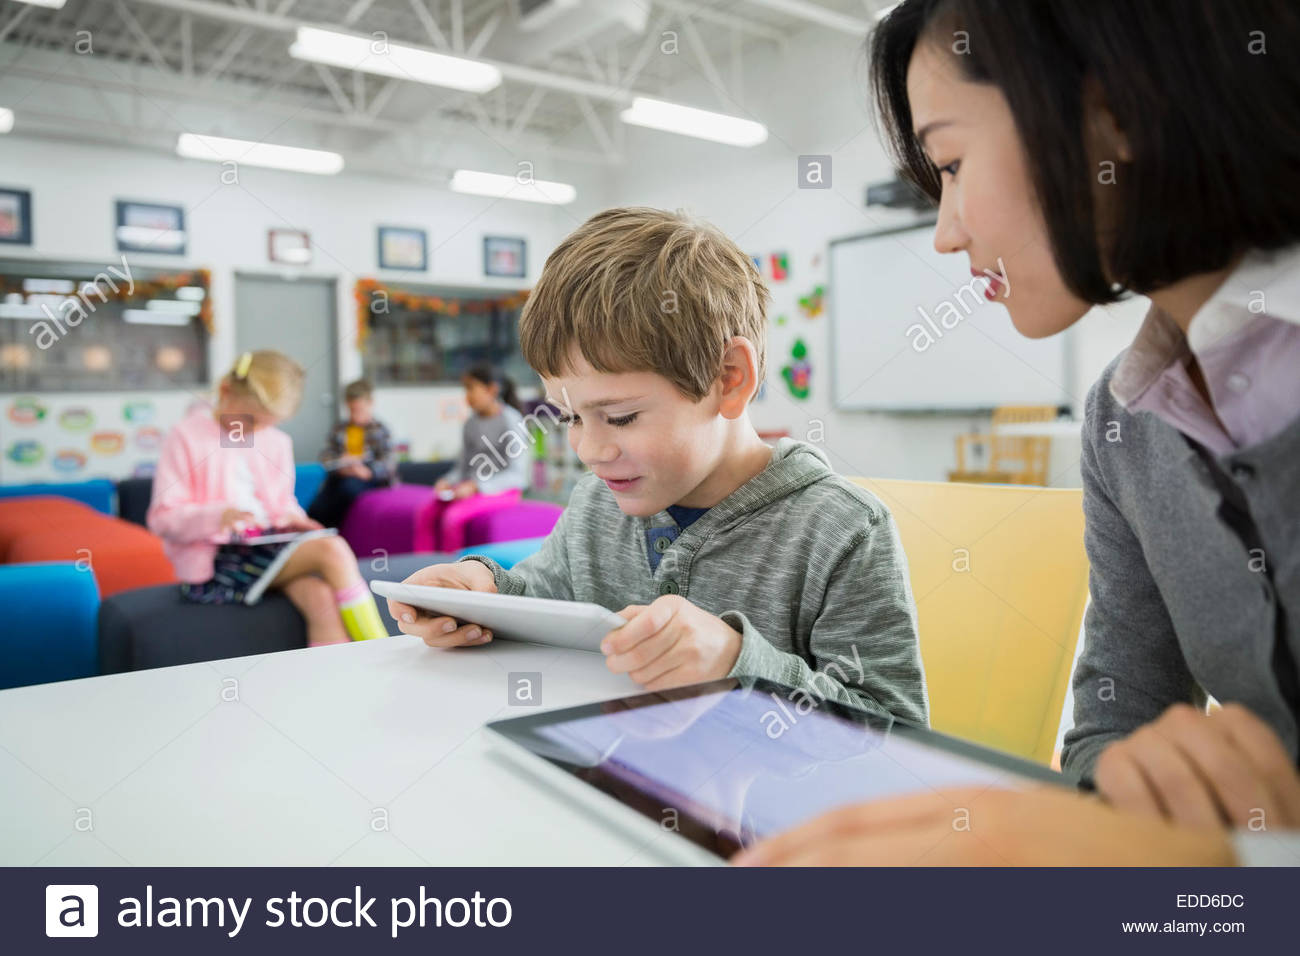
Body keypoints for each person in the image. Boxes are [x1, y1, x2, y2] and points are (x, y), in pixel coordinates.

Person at [739, 0, 1300, 866]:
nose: (945, 230)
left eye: (954, 163)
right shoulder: (1127, 419)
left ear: (1117, 112)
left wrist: (1217, 857)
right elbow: (1113, 728)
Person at [385, 207, 929, 722]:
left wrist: (736, 661)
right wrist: (477, 593)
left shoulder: (842, 530)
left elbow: (896, 733)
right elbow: (541, 598)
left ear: (729, 378)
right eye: (572, 418)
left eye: (619, 417)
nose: (590, 450)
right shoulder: (598, 502)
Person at [148, 350, 390, 646]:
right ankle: (382, 649)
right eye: (251, 423)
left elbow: (281, 503)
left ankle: (334, 687)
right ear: (226, 392)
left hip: (267, 546)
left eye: (268, 424)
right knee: (333, 550)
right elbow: (162, 518)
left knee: (321, 600)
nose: (257, 432)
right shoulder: (185, 436)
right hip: (216, 559)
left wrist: (294, 519)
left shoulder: (276, 442)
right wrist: (219, 516)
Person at [423, 363, 532, 552]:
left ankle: (451, 573)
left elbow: (518, 475)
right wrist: (448, 481)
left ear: (492, 390)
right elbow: (463, 467)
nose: (467, 396)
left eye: (471, 388)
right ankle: (423, 567)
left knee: (452, 517)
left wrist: (477, 486)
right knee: (428, 512)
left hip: (504, 491)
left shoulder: (512, 420)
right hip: (473, 487)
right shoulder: (470, 423)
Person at [307, 379, 395, 529]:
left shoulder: (380, 430)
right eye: (352, 410)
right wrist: (340, 463)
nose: (355, 415)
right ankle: (318, 530)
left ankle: (336, 528)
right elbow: (326, 456)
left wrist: (367, 472)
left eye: (359, 410)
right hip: (341, 475)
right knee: (317, 504)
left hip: (368, 478)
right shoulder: (340, 428)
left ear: (370, 403)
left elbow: (388, 462)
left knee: (347, 490)